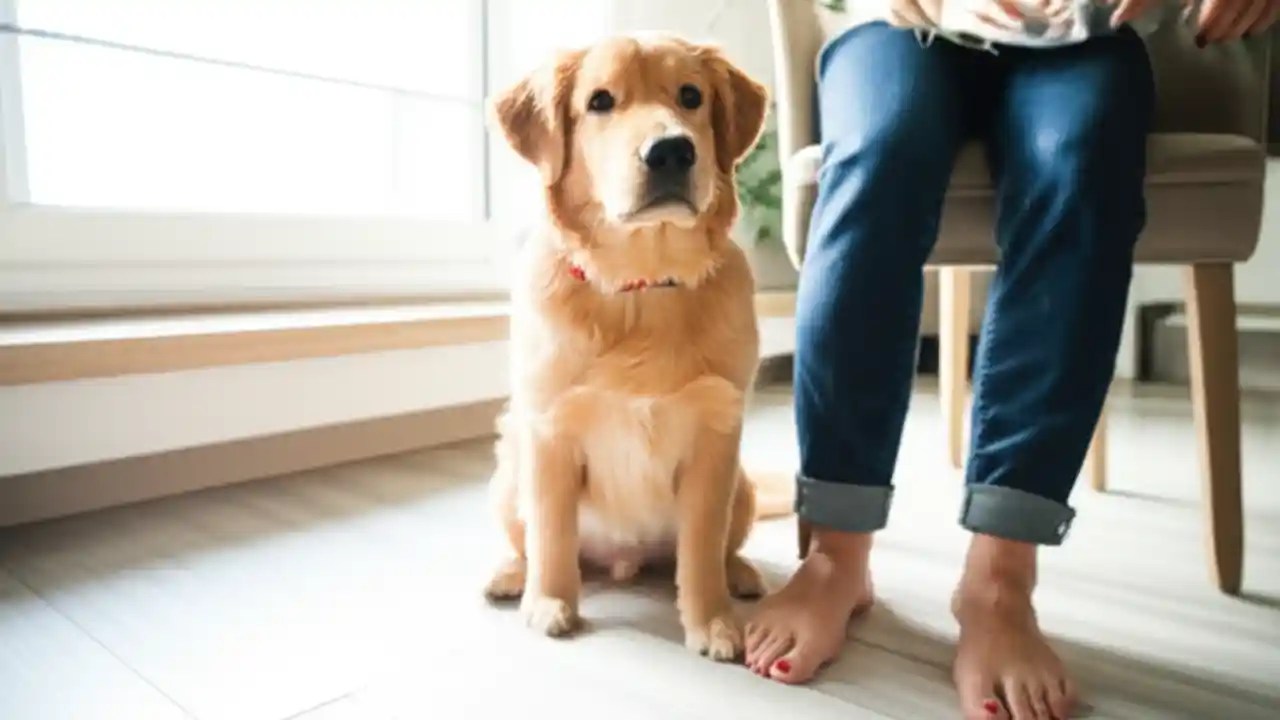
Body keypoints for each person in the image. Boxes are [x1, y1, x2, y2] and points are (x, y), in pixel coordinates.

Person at [742, 1, 1275, 718]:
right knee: (880, 155)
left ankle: (1000, 579)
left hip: (1087, 38)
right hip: (899, 28)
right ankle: (836, 554)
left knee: (1079, 164)